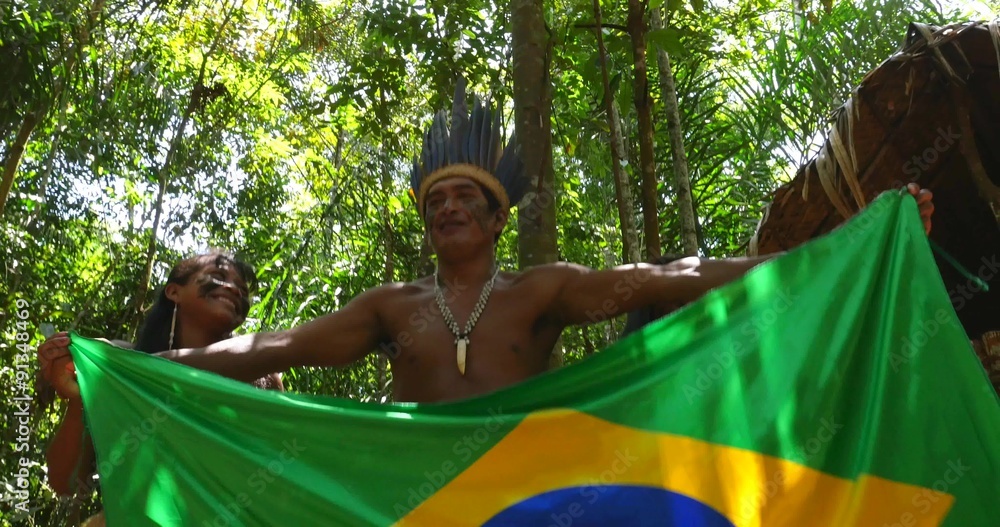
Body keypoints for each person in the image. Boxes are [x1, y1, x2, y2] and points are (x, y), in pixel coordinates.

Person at [44, 78, 935, 406]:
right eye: (439, 200)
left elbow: (675, 276)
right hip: (412, 490)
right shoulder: (392, 307)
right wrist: (124, 366)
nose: (452, 208)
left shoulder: (540, 290)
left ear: (500, 217)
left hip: (529, 493)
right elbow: (270, 348)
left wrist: (839, 249)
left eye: (470, 197)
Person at [37, 252, 283, 526]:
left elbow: (284, 474)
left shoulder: (263, 378)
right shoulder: (120, 366)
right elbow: (66, 484)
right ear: (174, 291)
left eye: (242, 288)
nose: (233, 288)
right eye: (218, 276)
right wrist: (78, 401)